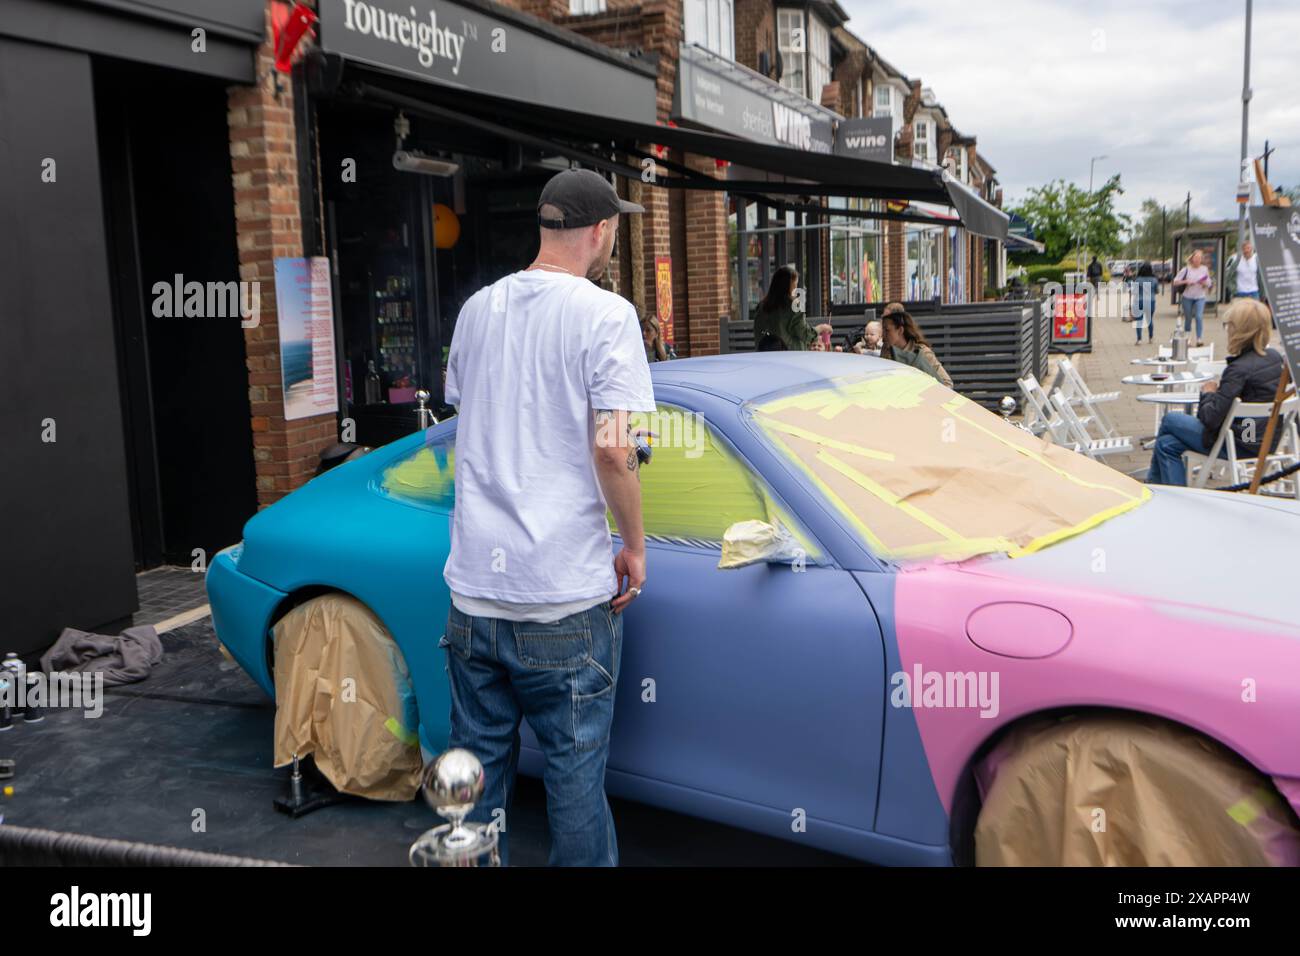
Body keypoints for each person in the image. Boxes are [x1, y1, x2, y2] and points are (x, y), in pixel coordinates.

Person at [441, 168, 655, 866]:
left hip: (474, 597)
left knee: (476, 777)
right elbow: (614, 452)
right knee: (573, 778)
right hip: (562, 596)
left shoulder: (476, 310)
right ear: (600, 232)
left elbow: (469, 423)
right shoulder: (605, 314)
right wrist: (634, 546)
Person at [1145, 298, 1283, 486]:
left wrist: (1209, 393)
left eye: (1229, 326)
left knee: (1170, 420)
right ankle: (1164, 495)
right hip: (1267, 441)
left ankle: (1154, 488)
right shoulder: (1275, 359)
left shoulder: (1238, 370)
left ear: (1239, 331)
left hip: (1238, 444)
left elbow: (1210, 418)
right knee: (1166, 444)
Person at [752, 265, 830, 351]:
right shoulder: (793, 306)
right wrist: (822, 327)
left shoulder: (762, 306)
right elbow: (805, 334)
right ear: (788, 287)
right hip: (790, 356)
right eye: (795, 285)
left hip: (763, 357)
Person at [881, 310, 953, 387]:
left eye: (887, 330)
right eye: (883, 330)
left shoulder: (922, 353)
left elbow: (947, 384)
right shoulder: (886, 351)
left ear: (900, 330)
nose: (883, 335)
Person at [1172, 249, 1213, 346]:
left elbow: (1209, 282)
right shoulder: (1186, 269)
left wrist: (1205, 283)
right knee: (1188, 318)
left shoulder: (1204, 269)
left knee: (1199, 317)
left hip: (1200, 296)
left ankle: (1199, 338)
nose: (1198, 260)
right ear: (1192, 259)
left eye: (1200, 258)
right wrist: (1186, 281)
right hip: (1187, 297)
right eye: (1196, 258)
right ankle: (1188, 337)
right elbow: (1175, 281)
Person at [1132, 261, 1159, 344]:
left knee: (1139, 320)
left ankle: (1139, 339)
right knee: (1149, 320)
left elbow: (1134, 291)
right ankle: (1151, 338)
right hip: (1150, 301)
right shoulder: (1154, 279)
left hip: (1139, 301)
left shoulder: (1138, 279)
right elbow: (1157, 291)